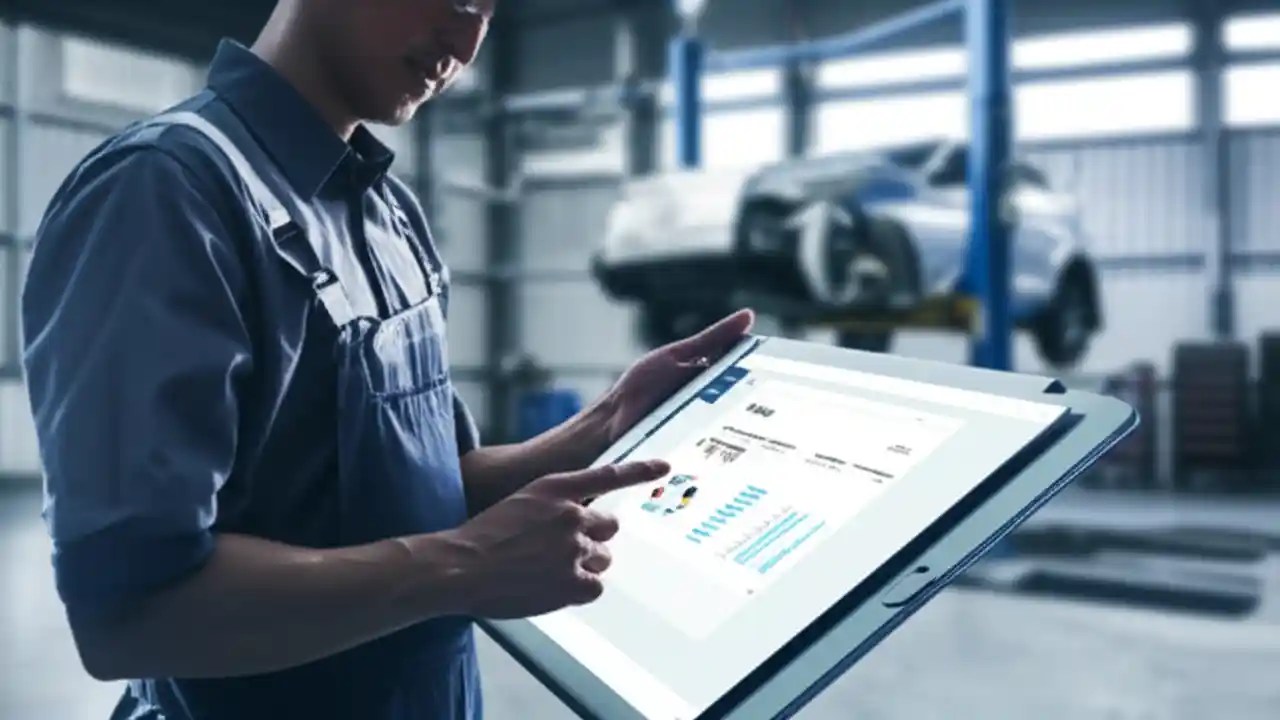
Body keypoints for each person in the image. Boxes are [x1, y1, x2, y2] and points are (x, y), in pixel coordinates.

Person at [20, 0, 754, 718]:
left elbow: (426, 490)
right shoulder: (165, 194)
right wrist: (467, 567)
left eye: (489, 11)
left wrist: (606, 421)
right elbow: (132, 615)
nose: (465, 43)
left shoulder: (389, 214)